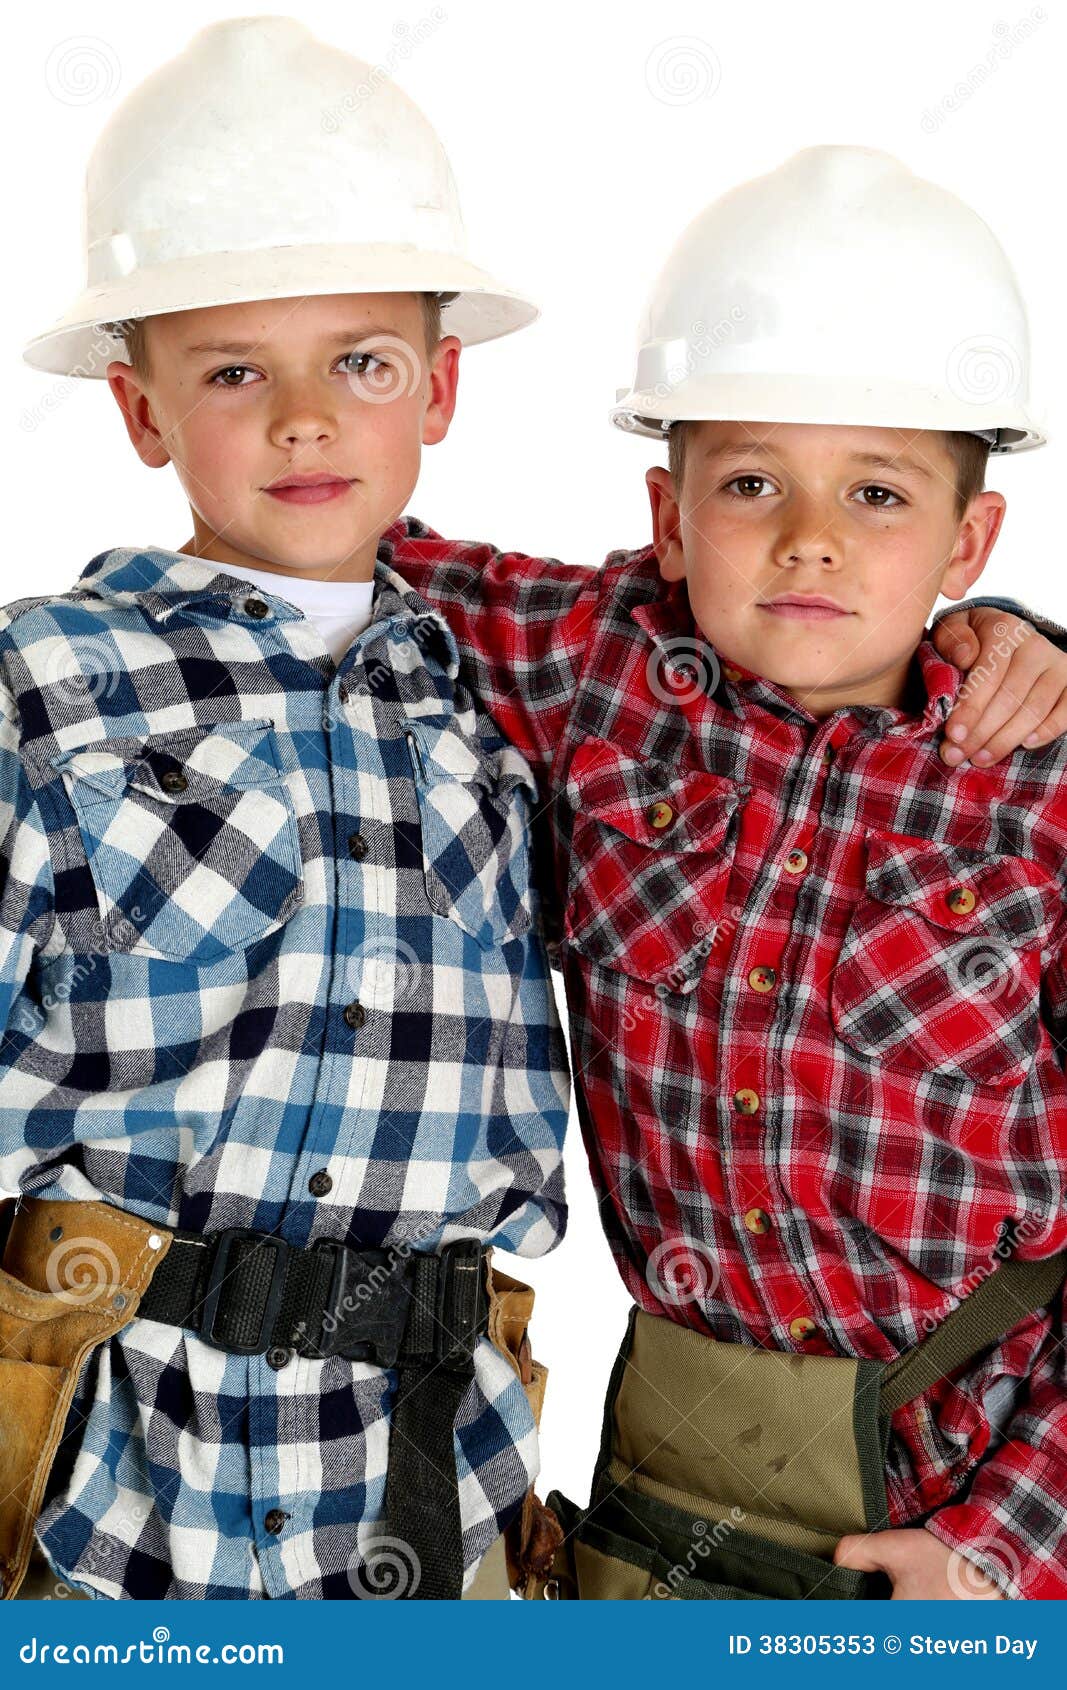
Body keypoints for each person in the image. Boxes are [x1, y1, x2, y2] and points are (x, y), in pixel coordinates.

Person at [388, 147, 1067, 1600]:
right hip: (655, 1491)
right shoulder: (600, 674)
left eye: (880, 493)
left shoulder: (1043, 789)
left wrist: (1008, 1543)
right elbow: (345, 550)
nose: (810, 535)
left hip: (959, 1522)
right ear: (669, 512)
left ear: (974, 539)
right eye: (751, 479)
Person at [1, 17, 568, 1601]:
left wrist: (1012, 641)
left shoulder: (503, 701)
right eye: (236, 370)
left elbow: (784, 704)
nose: (306, 417)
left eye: (362, 363)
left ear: (440, 387)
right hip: (112, 1479)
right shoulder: (49, 688)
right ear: (139, 410)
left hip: (433, 1483)